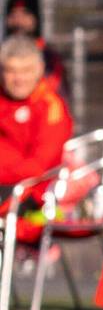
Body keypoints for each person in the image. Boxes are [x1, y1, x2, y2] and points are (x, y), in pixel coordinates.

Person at [0, 34, 73, 193]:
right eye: (11, 71)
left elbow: (38, 166)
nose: (18, 79)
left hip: (28, 194)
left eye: (26, 70)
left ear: (39, 69)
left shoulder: (51, 107)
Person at [4, 0, 65, 91]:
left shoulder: (49, 57)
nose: (18, 21)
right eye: (13, 15)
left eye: (25, 14)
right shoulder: (2, 55)